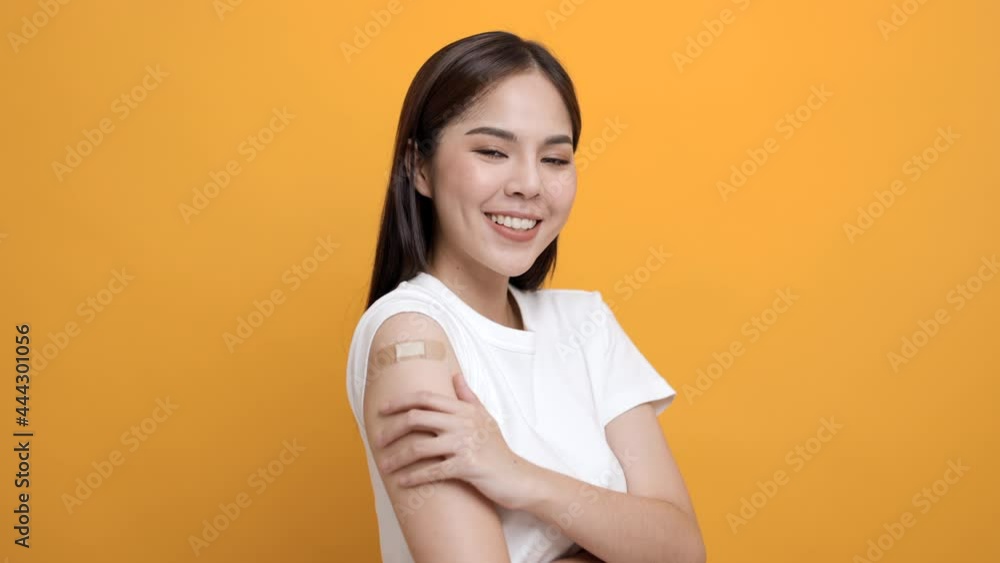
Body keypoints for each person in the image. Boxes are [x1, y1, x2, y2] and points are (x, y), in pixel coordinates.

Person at [345, 30, 705, 563]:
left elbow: (683, 549)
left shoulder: (587, 323)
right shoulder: (412, 334)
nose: (529, 185)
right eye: (493, 151)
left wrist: (518, 477)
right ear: (418, 167)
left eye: (555, 159)